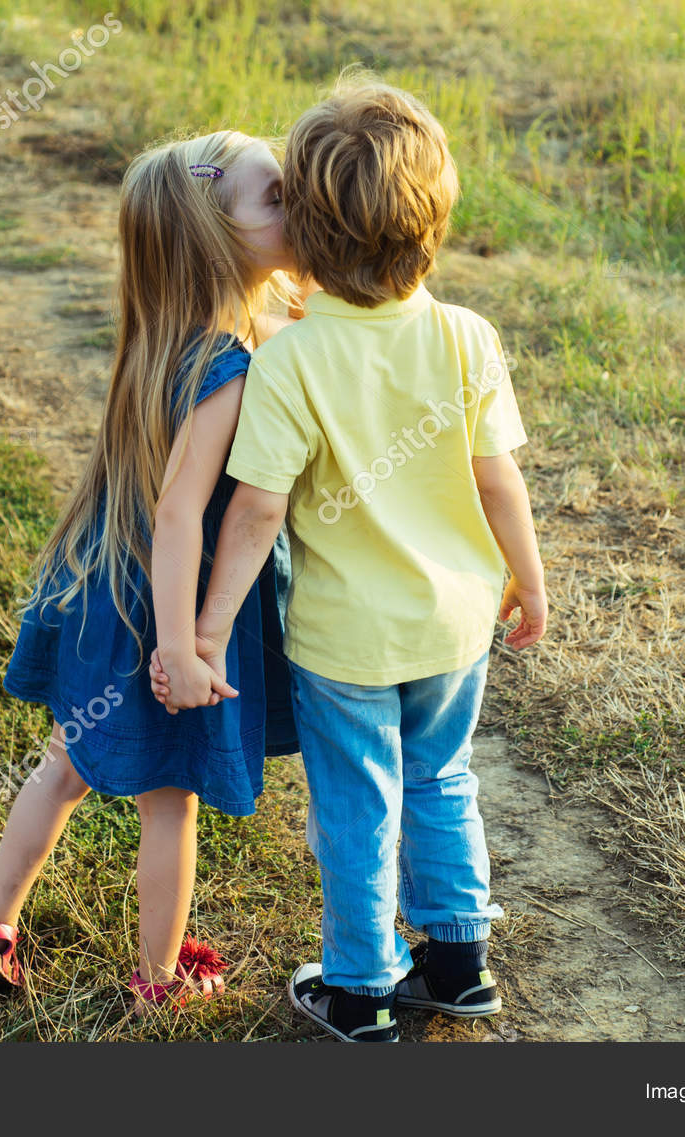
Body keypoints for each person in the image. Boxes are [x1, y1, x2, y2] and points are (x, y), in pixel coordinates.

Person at [153, 74, 548, 1041]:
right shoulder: (467, 337)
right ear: (436, 220)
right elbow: (501, 483)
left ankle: (362, 985)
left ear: (310, 240)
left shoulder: (289, 360)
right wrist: (528, 582)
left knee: (356, 803)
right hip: (457, 621)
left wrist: (205, 627)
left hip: (343, 642)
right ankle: (459, 967)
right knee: (444, 776)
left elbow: (255, 512)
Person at [0, 128, 301, 1015]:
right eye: (277, 197)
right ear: (215, 239)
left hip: (109, 590)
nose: (298, 203)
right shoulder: (227, 367)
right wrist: (182, 647)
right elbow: (181, 513)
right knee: (167, 798)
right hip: (161, 611)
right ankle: (157, 977)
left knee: (63, 763)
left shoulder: (164, 340)